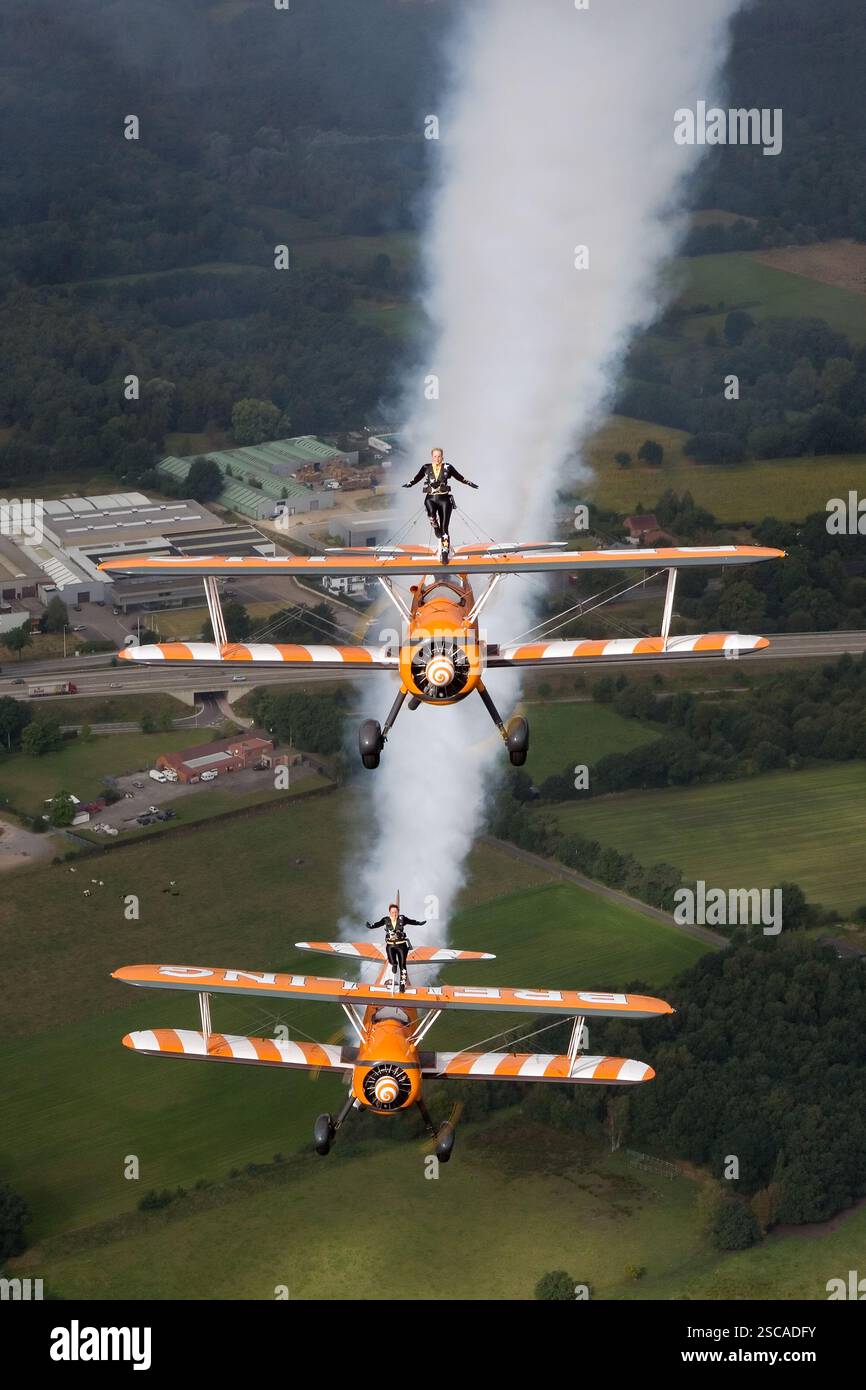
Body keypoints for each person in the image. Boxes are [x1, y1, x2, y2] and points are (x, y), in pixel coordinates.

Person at [403, 447, 478, 548]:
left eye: (439, 456)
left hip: (444, 499)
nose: (437, 459)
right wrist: (410, 484)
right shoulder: (426, 467)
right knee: (431, 517)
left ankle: (445, 550)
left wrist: (469, 483)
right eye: (435, 456)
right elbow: (417, 477)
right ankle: (435, 527)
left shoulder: (448, 467)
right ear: (432, 457)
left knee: (444, 528)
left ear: (442, 457)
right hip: (431, 498)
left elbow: (459, 477)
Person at [366, 902, 426, 990]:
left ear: (398, 912)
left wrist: (419, 923)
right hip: (390, 945)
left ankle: (402, 986)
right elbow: (378, 924)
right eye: (392, 912)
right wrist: (370, 926)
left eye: (396, 912)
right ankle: (394, 964)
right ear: (389, 912)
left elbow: (411, 921)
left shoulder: (402, 918)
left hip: (401, 945)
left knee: (403, 965)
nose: (394, 914)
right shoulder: (386, 920)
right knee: (392, 961)